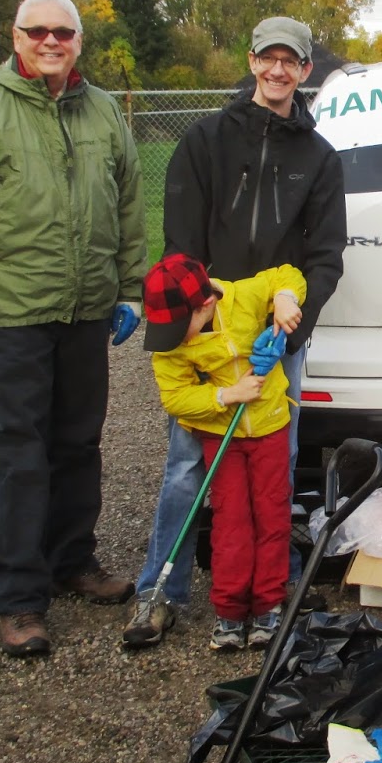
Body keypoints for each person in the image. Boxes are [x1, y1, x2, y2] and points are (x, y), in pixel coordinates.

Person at [0, 0, 146, 658]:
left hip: (85, 312)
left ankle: (72, 560)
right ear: (15, 36)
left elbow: (129, 207)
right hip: (13, 313)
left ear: (78, 41)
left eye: (63, 32)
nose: (51, 40)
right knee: (21, 454)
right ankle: (20, 598)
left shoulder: (103, 112)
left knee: (79, 445)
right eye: (37, 30)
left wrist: (129, 289)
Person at [123, 16, 345, 647]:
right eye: (268, 58)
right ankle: (159, 589)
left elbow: (324, 256)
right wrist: (197, 325)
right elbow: (181, 245)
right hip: (209, 335)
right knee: (188, 466)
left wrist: (292, 330)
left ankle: (274, 591)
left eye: (291, 62)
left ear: (305, 73)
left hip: (278, 332)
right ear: (251, 62)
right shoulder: (205, 141)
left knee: (275, 468)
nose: (278, 71)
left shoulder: (320, 158)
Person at [140, 253, 305, 651]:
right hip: (221, 437)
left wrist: (285, 299)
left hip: (269, 428)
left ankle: (268, 606)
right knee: (230, 522)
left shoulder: (245, 296)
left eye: (182, 327)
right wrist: (226, 395)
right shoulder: (173, 345)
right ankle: (229, 613)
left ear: (207, 304)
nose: (176, 338)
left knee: (272, 514)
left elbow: (288, 272)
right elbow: (175, 397)